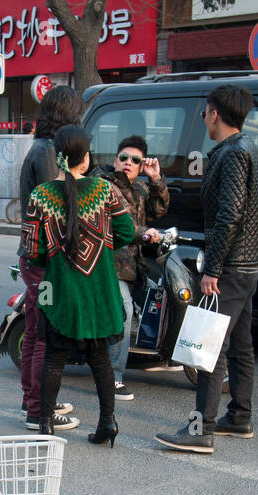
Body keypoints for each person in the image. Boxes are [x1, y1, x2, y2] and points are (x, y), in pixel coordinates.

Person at [156, 85, 258, 454]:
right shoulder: (249, 148)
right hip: (249, 265)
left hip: (230, 267)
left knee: (208, 346)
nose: (204, 117)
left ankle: (200, 429)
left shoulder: (232, 154)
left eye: (205, 111)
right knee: (241, 344)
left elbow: (228, 217)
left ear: (215, 113)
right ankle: (239, 416)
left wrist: (212, 269)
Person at [22, 125, 136, 447]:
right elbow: (127, 232)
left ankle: (45, 426)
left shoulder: (40, 197)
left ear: (58, 158)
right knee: (101, 359)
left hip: (57, 291)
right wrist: (100, 240)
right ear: (85, 158)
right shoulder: (104, 191)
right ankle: (108, 424)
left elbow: (33, 252)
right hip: (100, 290)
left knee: (53, 358)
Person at [17, 85, 84, 432]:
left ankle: (37, 398)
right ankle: (37, 409)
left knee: (34, 332)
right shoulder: (46, 153)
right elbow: (52, 206)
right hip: (43, 261)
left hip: (37, 258)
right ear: (67, 115)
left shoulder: (44, 148)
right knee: (44, 334)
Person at [103, 135, 170, 402]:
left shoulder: (140, 188)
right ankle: (114, 377)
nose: (128, 163)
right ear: (115, 160)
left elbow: (159, 209)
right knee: (125, 311)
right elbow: (117, 227)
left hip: (134, 267)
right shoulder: (104, 187)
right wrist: (143, 233)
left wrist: (156, 179)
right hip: (109, 265)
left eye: (135, 160)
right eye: (124, 158)